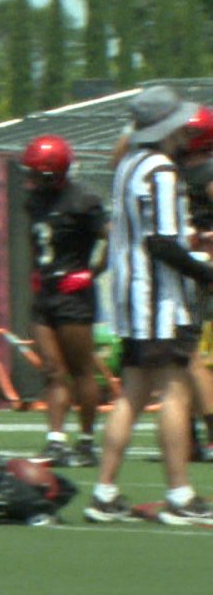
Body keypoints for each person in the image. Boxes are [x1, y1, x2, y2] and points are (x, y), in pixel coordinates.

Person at [85, 85, 213, 525]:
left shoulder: (128, 165)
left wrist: (192, 245)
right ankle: (180, 494)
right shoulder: (161, 168)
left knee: (133, 395)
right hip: (157, 299)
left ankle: (103, 492)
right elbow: (160, 242)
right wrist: (205, 271)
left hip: (132, 299)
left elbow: (152, 235)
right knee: (175, 392)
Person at [21, 134, 108, 468]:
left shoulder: (84, 201)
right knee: (53, 371)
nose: (30, 179)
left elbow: (109, 241)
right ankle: (56, 440)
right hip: (46, 294)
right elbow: (35, 242)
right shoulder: (35, 201)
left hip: (74, 296)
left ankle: (86, 441)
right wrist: (34, 271)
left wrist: (90, 273)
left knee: (81, 370)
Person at [175, 106, 213, 462]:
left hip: (205, 267)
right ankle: (189, 436)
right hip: (186, 267)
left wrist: (202, 237)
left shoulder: (207, 171)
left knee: (194, 356)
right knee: (184, 356)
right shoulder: (176, 167)